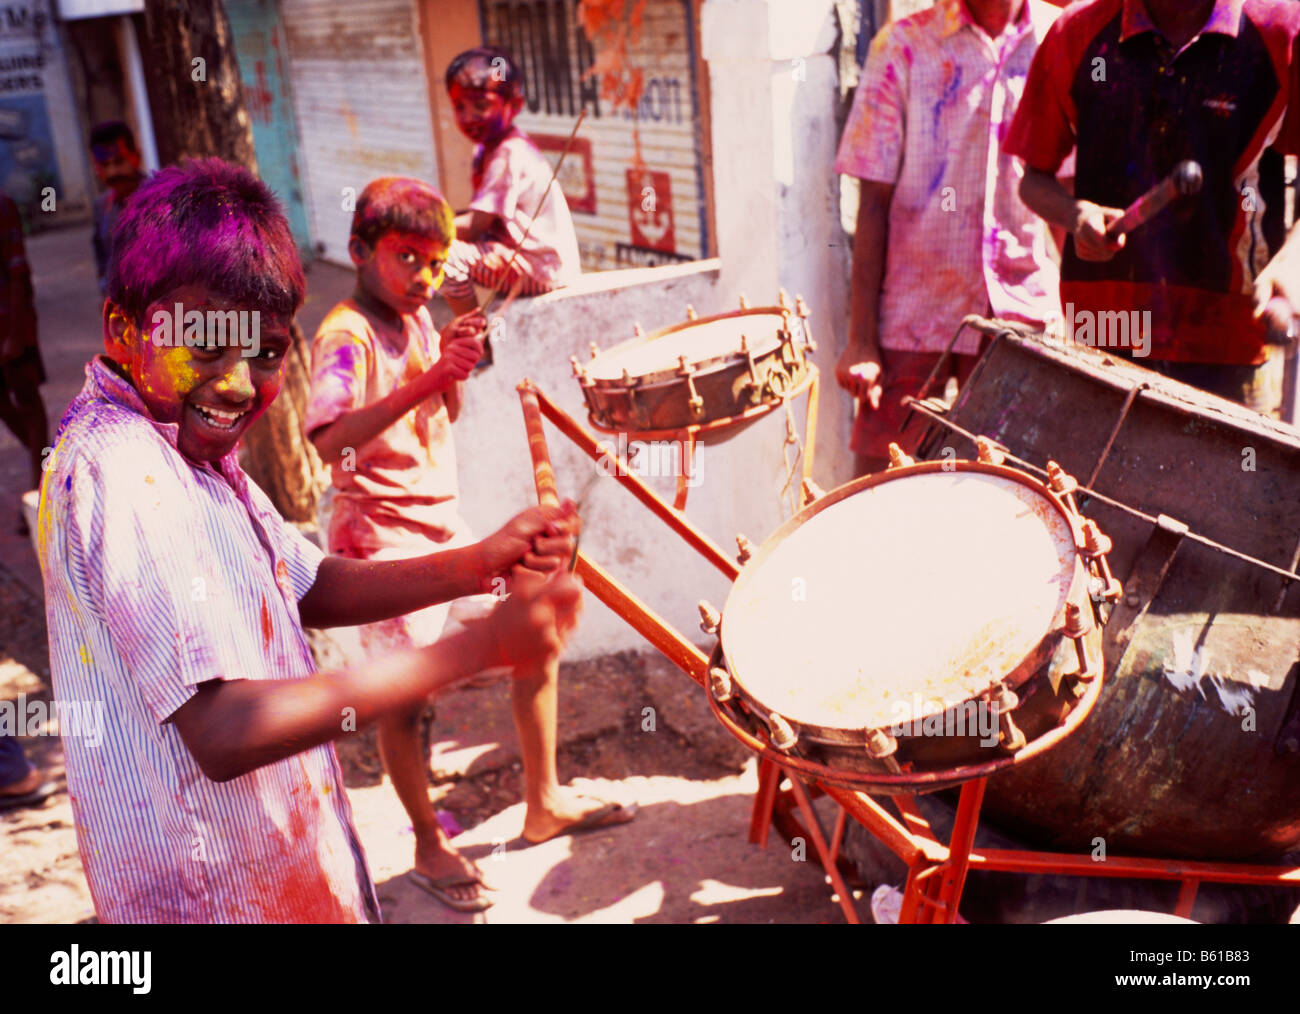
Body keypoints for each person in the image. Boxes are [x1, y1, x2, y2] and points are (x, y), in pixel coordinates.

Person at [36, 158, 585, 924]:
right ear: (123, 330)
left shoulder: (194, 455)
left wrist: (482, 562)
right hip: (215, 900)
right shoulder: (126, 468)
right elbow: (224, 732)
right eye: (205, 345)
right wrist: (477, 648)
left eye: (263, 354)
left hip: (275, 876)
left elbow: (309, 585)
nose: (235, 384)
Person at [305, 176, 633, 914]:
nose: (422, 274)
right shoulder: (345, 334)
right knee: (403, 701)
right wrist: (429, 380)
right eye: (404, 258)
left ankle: (542, 802)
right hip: (378, 548)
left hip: (443, 534)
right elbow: (331, 442)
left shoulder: (418, 320)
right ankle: (426, 844)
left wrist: (454, 337)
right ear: (358, 251)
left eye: (433, 260)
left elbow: (442, 407)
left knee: (536, 634)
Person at [1006, 0, 1300, 411]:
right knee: (1090, 476)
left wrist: (1291, 261)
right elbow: (1033, 179)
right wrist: (1077, 215)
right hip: (1104, 335)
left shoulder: (1281, 31)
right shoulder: (1076, 31)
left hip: (1231, 335)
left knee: (1234, 473)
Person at [834, 0, 1068, 476]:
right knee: (883, 493)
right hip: (914, 319)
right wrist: (860, 341)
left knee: (1020, 496)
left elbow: (1069, 192)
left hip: (1020, 319)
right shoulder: (902, 45)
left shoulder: (1059, 37)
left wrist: (1089, 328)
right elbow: (873, 202)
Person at [438, 46, 581, 318]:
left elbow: (474, 226)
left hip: (542, 268)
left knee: (446, 256)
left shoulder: (507, 153)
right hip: (529, 261)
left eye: (481, 106)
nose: (469, 118)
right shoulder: (486, 149)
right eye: (459, 106)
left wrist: (422, 226)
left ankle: (475, 337)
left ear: (514, 105)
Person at [0, 192, 47, 526]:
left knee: (27, 400)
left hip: (12, 321)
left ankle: (38, 490)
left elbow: (18, 272)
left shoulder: (3, 205)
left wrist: (16, 332)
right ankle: (46, 465)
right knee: (4, 407)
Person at [89, 120, 145, 295]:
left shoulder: (163, 199)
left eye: (119, 161)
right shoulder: (102, 207)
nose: (113, 172)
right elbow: (102, 257)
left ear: (136, 156)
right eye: (105, 165)